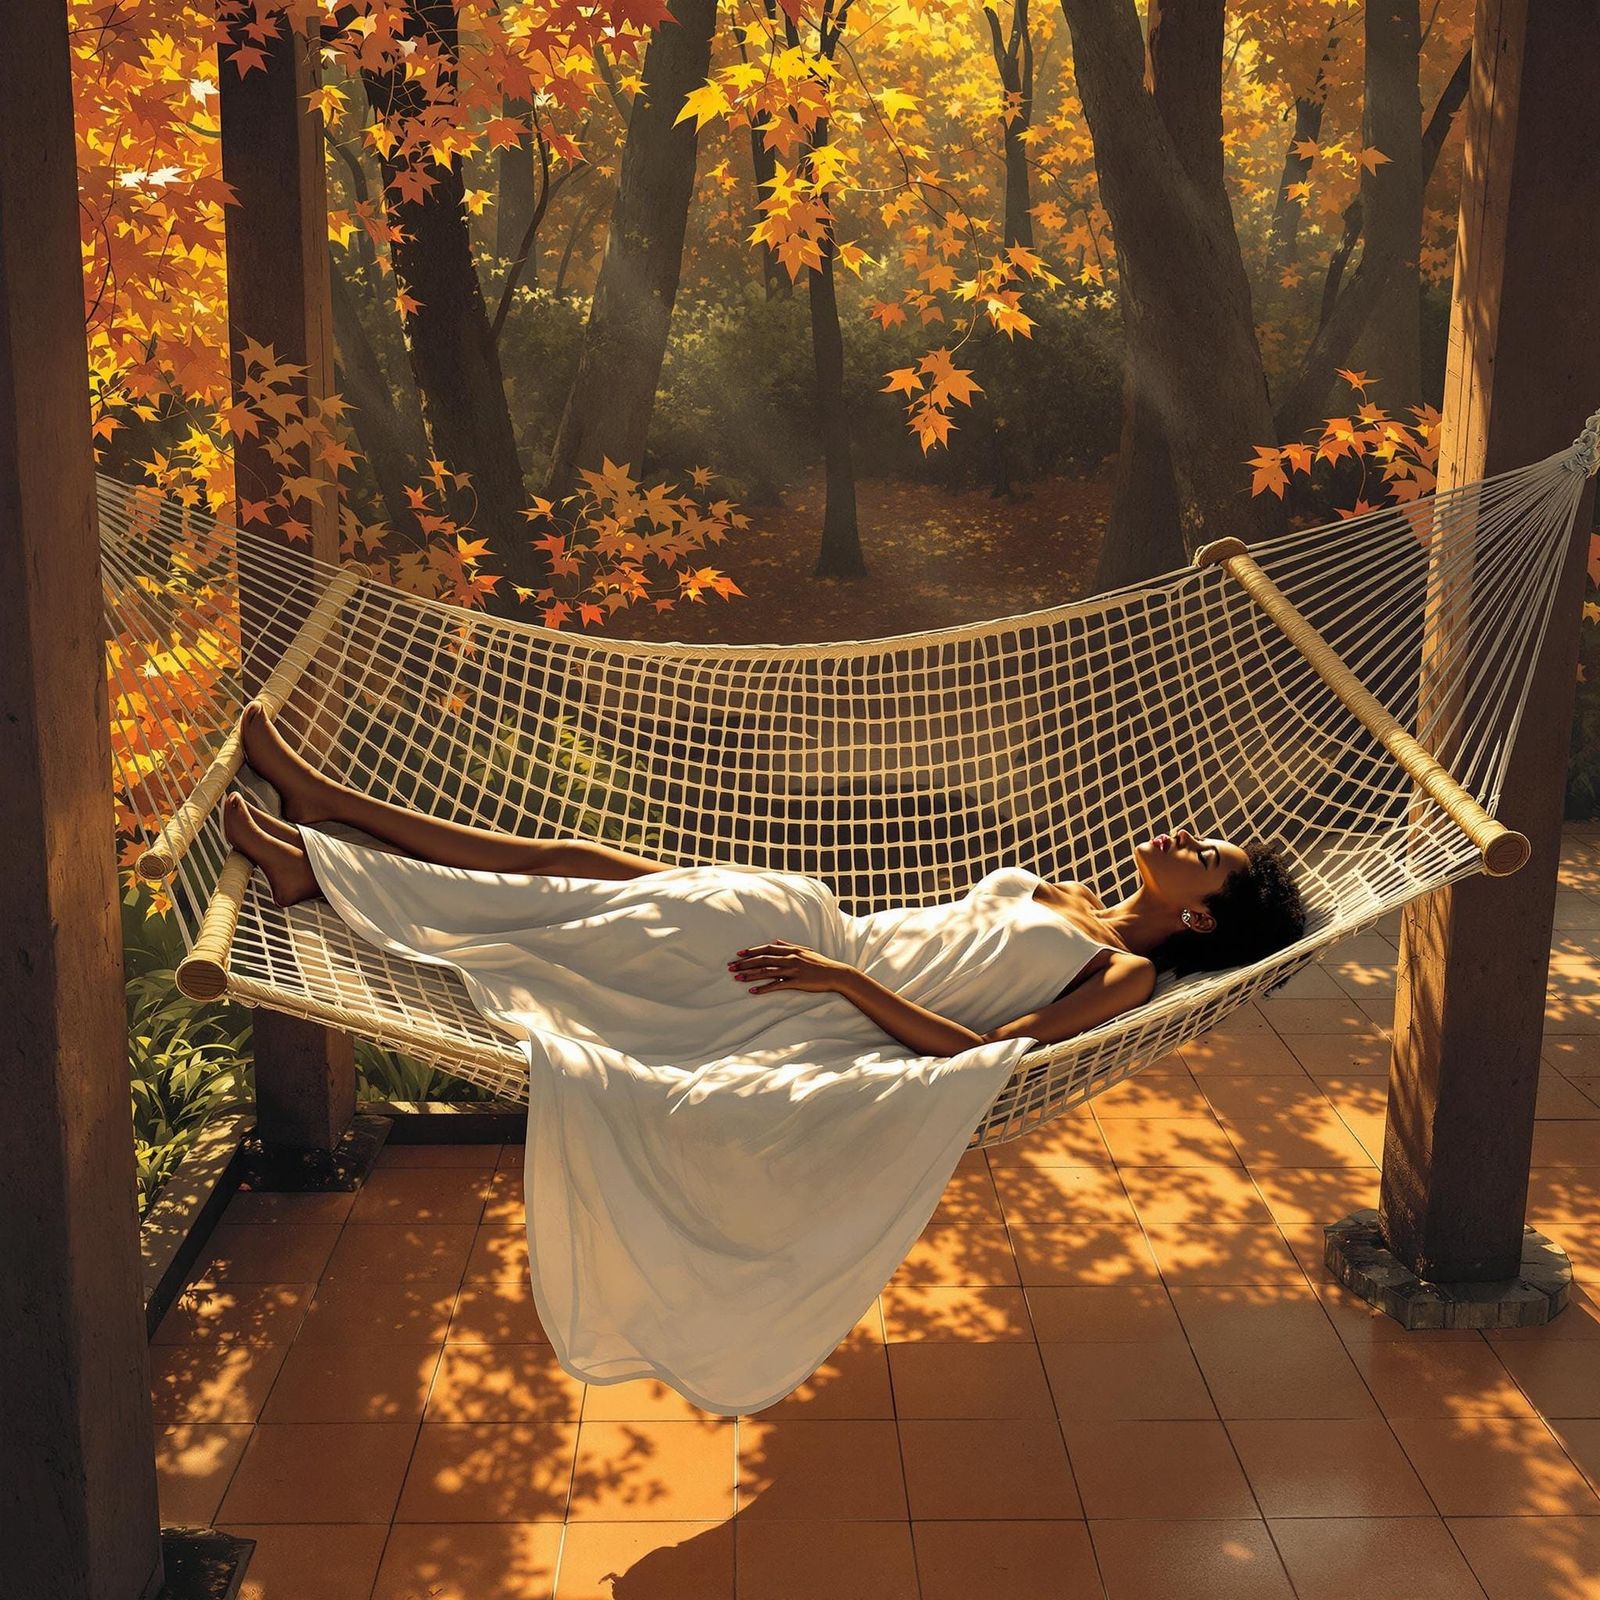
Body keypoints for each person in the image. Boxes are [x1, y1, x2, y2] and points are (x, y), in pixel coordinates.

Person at [223, 701, 1306, 1056]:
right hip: (808, 914)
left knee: (548, 913)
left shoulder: (1119, 978)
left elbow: (984, 1056)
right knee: (564, 866)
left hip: (792, 979)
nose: (1183, 835)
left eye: (1204, 854)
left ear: (1200, 911)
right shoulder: (1075, 896)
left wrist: (839, 986)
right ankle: (324, 816)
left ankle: (320, 867)